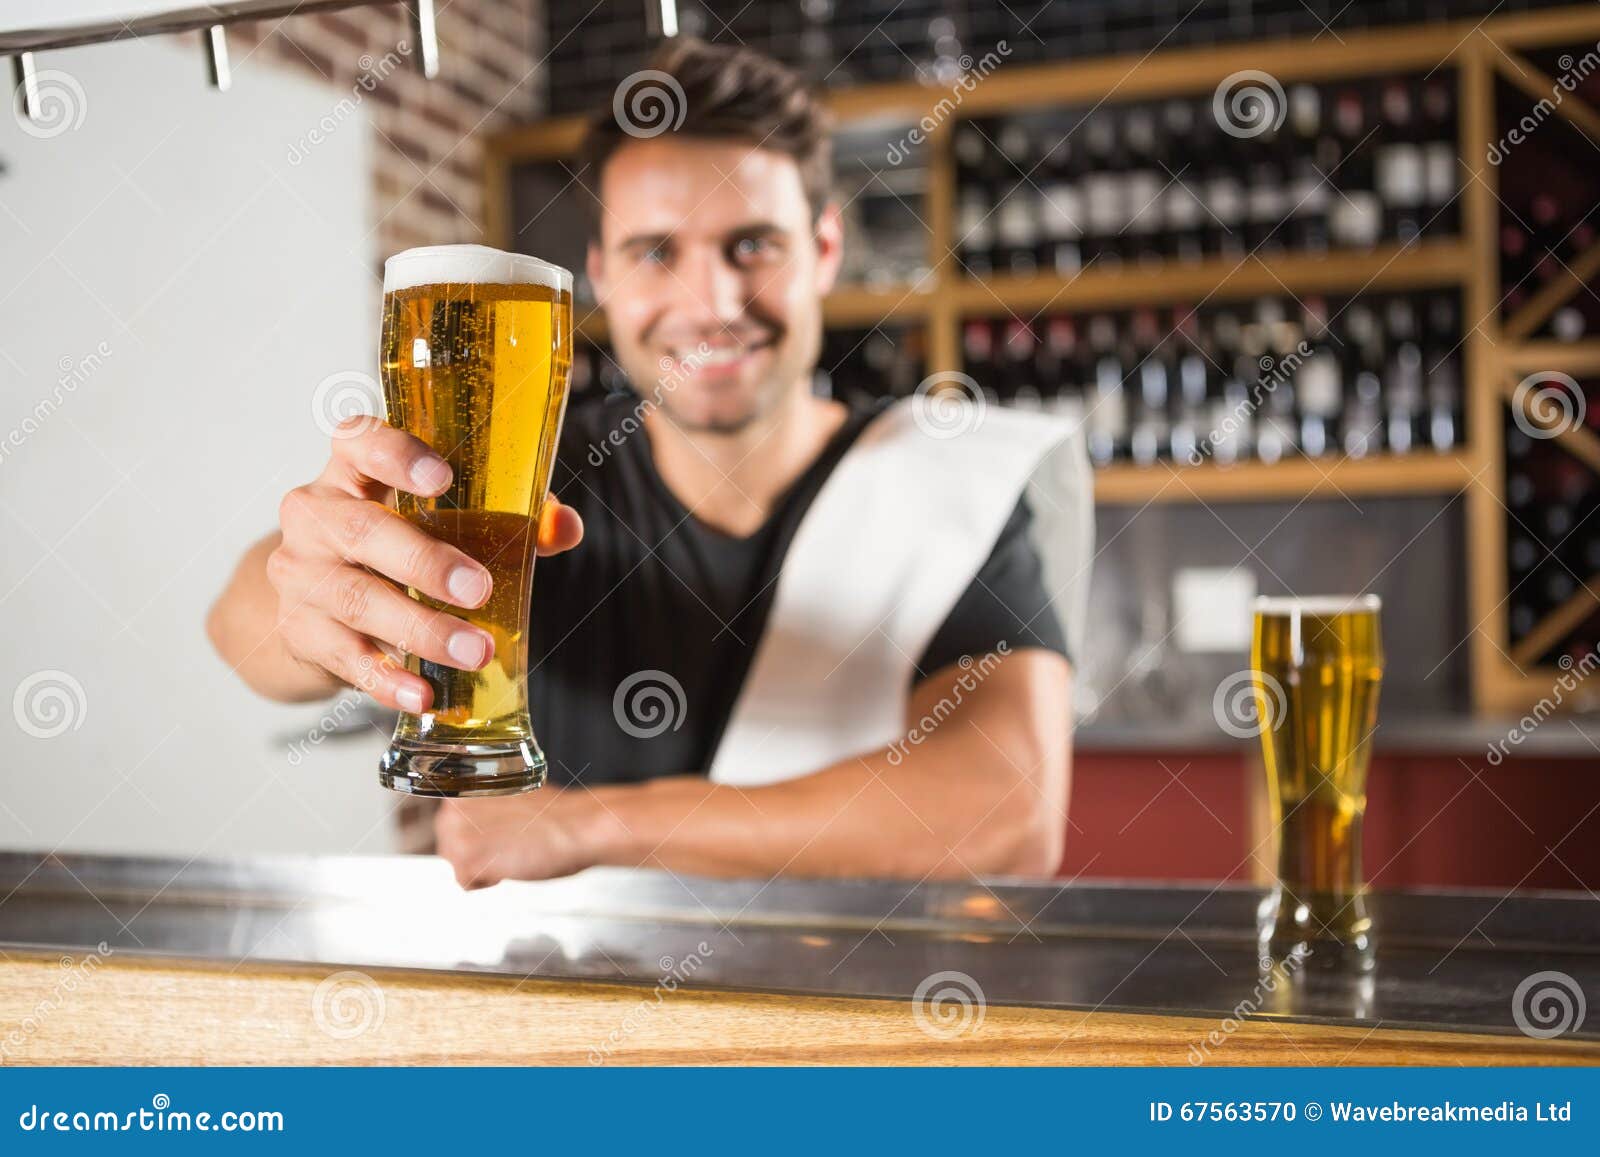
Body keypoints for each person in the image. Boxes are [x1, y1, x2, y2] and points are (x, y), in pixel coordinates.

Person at [206, 36, 1086, 888]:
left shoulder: (942, 481)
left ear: (823, 250)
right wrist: (314, 601)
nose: (712, 303)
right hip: (572, 1012)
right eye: (656, 252)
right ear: (601, 274)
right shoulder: (533, 473)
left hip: (828, 1017)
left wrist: (596, 823)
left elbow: (1005, 810)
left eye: (753, 245)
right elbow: (239, 636)